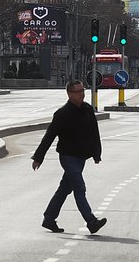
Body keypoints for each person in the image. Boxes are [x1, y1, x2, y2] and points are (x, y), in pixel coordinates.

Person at [32, 80, 107, 235]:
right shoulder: (62, 113)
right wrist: (39, 157)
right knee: (79, 187)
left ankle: (49, 219)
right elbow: (49, 136)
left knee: (64, 189)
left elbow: (95, 133)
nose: (82, 94)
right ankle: (91, 221)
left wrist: (96, 153)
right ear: (69, 94)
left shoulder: (87, 109)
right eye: (78, 92)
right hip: (68, 157)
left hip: (81, 158)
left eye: (83, 91)